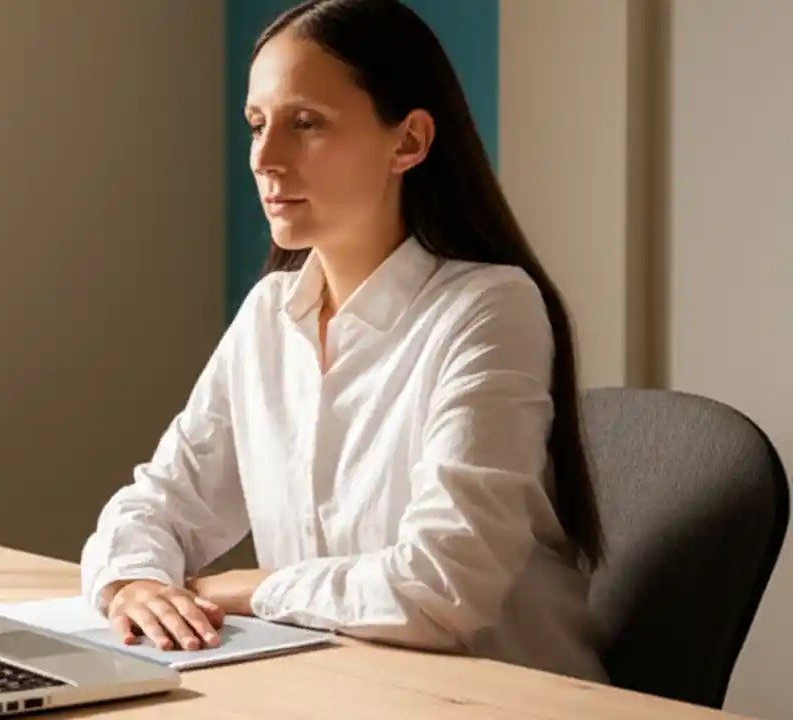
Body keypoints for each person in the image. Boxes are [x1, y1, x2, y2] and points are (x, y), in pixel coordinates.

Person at [80, 0, 608, 682]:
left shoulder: (488, 308)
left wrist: (251, 589)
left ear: (408, 142)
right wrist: (133, 582)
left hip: (497, 697)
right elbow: (160, 502)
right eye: (257, 124)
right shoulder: (270, 315)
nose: (265, 158)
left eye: (306, 124)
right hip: (342, 687)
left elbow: (443, 586)